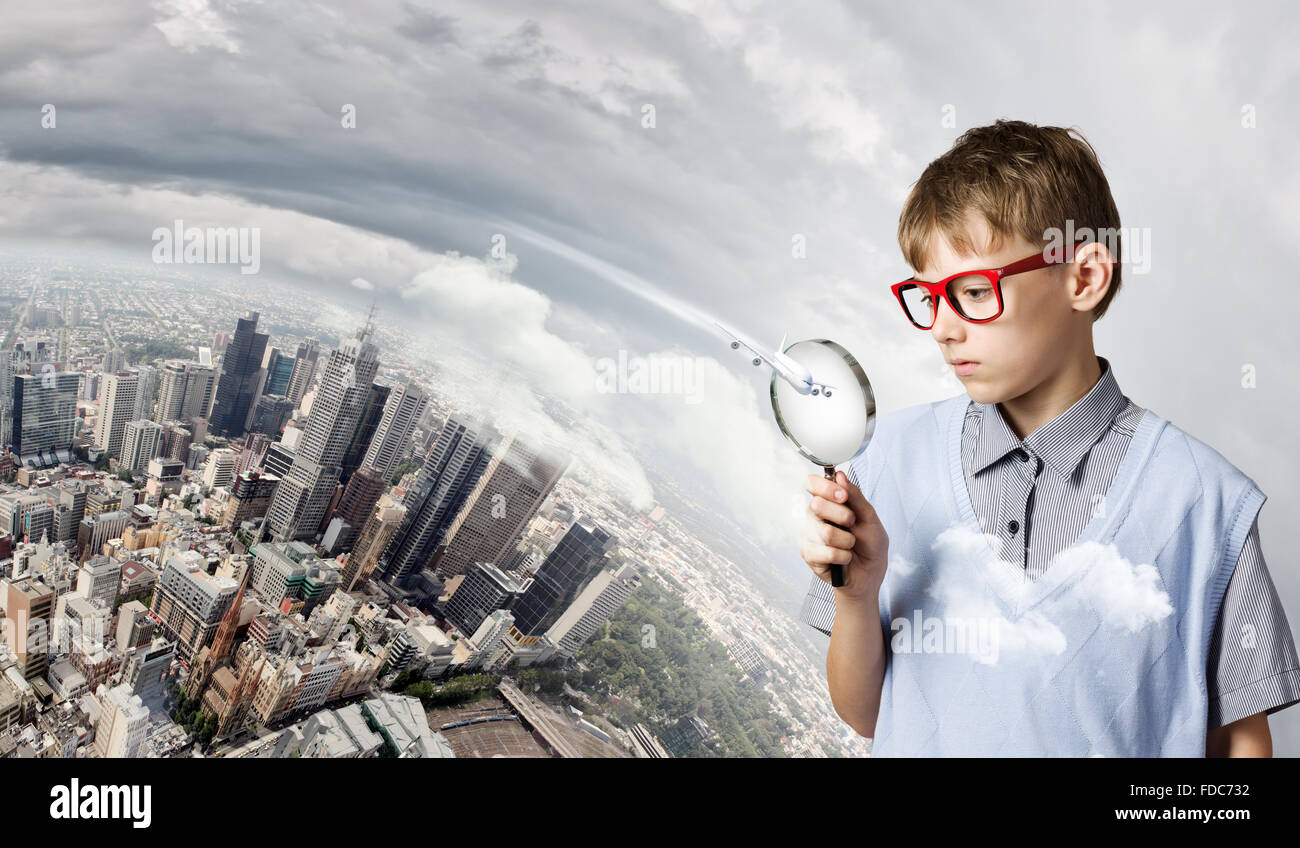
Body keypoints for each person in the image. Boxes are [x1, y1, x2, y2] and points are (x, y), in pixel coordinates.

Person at [798, 119, 1300, 757]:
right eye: (929, 296)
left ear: (1083, 277)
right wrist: (858, 595)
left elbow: (1241, 745)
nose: (942, 329)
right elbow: (866, 715)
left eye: (974, 291)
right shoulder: (886, 459)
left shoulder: (1206, 505)